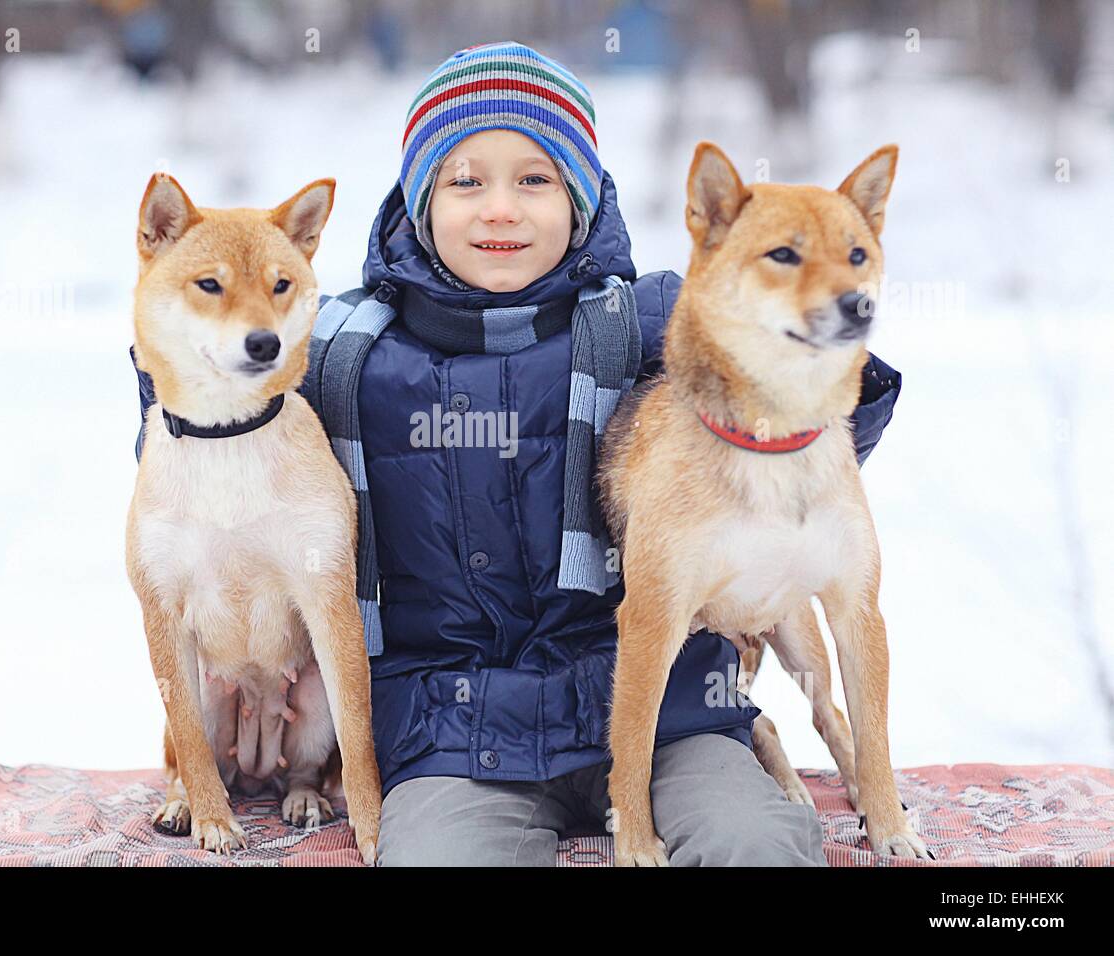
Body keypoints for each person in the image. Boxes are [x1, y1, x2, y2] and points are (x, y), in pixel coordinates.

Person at [130, 40, 902, 866]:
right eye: (466, 181)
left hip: (665, 712)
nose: (500, 208)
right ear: (420, 203)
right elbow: (209, 407)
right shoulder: (345, 350)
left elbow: (816, 397)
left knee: (756, 847)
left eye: (535, 180)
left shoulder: (652, 324)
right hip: (452, 735)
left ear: (581, 199)